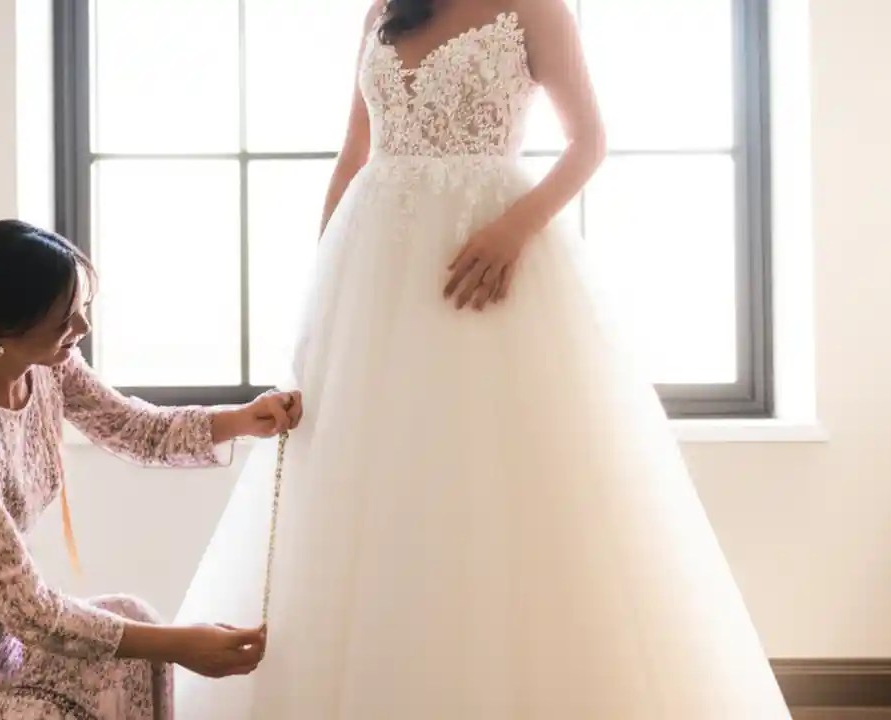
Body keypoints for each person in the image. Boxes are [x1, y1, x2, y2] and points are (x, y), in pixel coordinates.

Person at [173, 0, 794, 716]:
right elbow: (355, 153)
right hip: (373, 277)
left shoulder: (536, 6)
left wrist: (513, 231)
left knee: (501, 480)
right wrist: (321, 304)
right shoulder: (383, 7)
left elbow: (588, 141)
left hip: (488, 265)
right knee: (372, 487)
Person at [0, 219, 302, 719]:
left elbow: (132, 427)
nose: (81, 330)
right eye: (65, 319)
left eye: (81, 311)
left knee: (131, 618)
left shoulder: (46, 367)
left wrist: (242, 419)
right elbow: (30, 609)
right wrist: (180, 645)